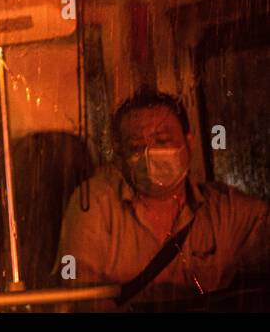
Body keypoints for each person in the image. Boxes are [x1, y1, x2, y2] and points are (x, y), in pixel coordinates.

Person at [57, 92, 270, 309]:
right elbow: (80, 294)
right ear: (120, 158)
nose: (151, 154)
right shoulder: (95, 203)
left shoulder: (225, 210)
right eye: (136, 147)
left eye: (162, 140)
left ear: (189, 142)